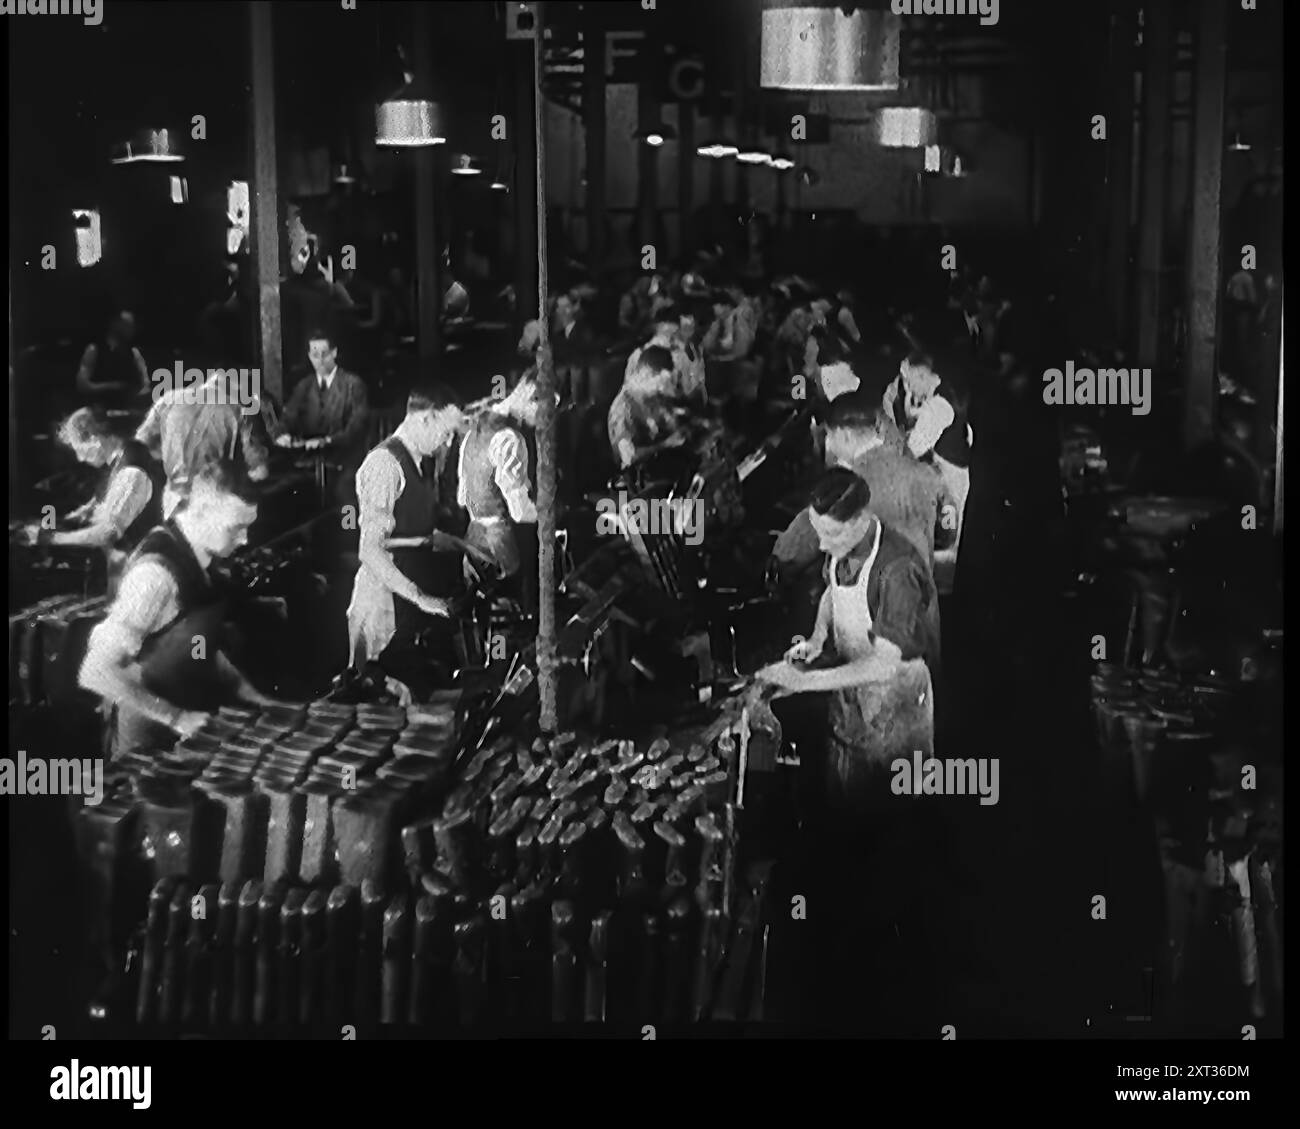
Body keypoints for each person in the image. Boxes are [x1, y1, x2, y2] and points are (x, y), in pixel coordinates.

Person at [757, 469, 940, 818]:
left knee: (893, 822)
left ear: (860, 519)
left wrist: (804, 681)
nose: (823, 545)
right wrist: (817, 636)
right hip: (852, 700)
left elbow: (884, 665)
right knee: (847, 810)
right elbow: (832, 590)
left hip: (895, 710)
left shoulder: (897, 569)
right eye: (818, 532)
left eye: (831, 534)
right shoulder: (846, 544)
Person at [78, 467, 284, 763]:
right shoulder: (155, 576)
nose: (245, 539)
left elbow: (194, 643)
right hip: (148, 730)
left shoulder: (202, 557)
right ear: (201, 511)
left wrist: (250, 693)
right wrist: (177, 718)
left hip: (187, 710)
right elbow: (96, 670)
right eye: (236, 527)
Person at [346, 382, 464, 699]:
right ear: (426, 418)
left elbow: (410, 533)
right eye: (447, 431)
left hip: (404, 607)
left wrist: (463, 546)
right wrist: (420, 597)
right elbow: (370, 549)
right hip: (382, 610)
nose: (448, 442)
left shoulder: (416, 462)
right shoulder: (385, 464)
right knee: (381, 712)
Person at [774, 393, 954, 587]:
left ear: (845, 435)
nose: (831, 445)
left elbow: (791, 552)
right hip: (921, 597)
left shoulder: (842, 487)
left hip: (866, 603)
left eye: (829, 435)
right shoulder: (929, 475)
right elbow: (947, 533)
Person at [20, 408, 163, 593]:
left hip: (144, 572)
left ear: (95, 439)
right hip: (132, 565)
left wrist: (52, 539)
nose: (80, 458)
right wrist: (69, 519)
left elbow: (108, 532)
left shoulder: (131, 472)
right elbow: (101, 505)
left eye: (80, 450)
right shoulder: (120, 459)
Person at [135, 367, 270, 520]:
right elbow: (259, 470)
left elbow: (140, 443)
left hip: (175, 499)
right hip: (215, 500)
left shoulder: (168, 399)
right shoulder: (238, 409)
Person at [456, 372, 543, 609]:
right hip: (503, 552)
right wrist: (551, 511)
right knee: (516, 628)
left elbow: (463, 498)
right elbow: (520, 512)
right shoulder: (509, 439)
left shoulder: (472, 434)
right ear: (531, 396)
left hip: (472, 543)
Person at [882, 350, 971, 564]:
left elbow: (913, 449)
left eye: (909, 380)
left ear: (923, 375)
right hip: (949, 470)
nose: (908, 387)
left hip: (952, 477)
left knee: (952, 534)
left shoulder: (938, 407)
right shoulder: (943, 393)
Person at [276, 327, 370, 461]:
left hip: (345, 459)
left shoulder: (353, 385)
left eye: (324, 354)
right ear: (309, 356)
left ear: (334, 353)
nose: (320, 360)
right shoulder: (304, 386)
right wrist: (282, 434)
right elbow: (288, 417)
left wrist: (328, 441)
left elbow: (357, 427)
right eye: (315, 355)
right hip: (309, 460)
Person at [607, 345, 687, 471]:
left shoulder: (654, 396)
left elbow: (669, 422)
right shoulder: (622, 409)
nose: (662, 388)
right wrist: (666, 444)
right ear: (646, 375)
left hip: (665, 466)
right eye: (661, 382)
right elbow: (629, 457)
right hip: (632, 483)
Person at [75, 310, 149, 411]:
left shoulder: (134, 353)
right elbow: (82, 386)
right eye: (127, 325)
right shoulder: (94, 350)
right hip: (98, 413)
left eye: (132, 325)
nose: (132, 329)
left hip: (127, 413)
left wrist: (134, 396)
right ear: (114, 324)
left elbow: (145, 385)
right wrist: (112, 386)